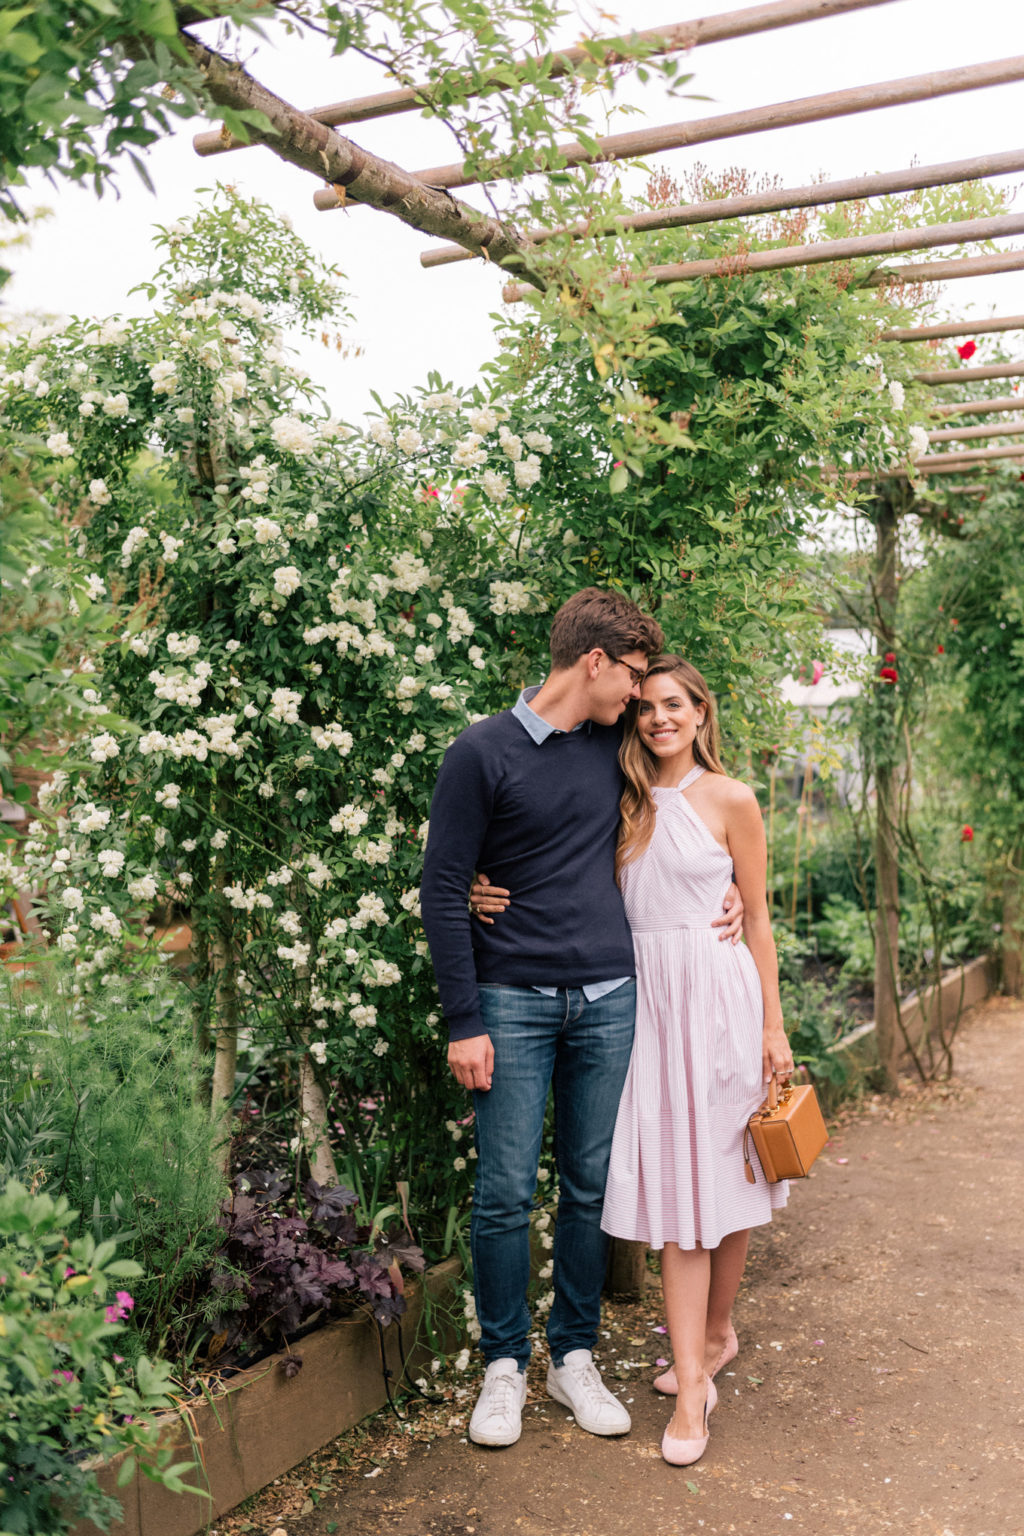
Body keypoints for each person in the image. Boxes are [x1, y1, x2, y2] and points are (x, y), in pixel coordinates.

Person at [420, 591, 742, 1450]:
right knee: (503, 1193)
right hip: (511, 1004)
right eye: (634, 677)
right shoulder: (481, 752)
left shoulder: (619, 749)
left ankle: (572, 1356)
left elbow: (690, 812)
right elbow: (444, 888)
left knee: (591, 1188)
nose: (642, 698)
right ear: (594, 662)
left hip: (610, 999)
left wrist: (735, 889)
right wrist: (464, 1020)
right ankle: (502, 1368)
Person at [600, 654, 794, 1467]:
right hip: (650, 1007)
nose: (658, 719)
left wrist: (773, 1030)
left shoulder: (731, 800)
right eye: (644, 707)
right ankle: (698, 1360)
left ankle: (704, 1359)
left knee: (729, 1179)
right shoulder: (622, 802)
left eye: (673, 704)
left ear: (702, 712)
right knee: (681, 1197)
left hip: (720, 1005)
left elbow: (756, 920)